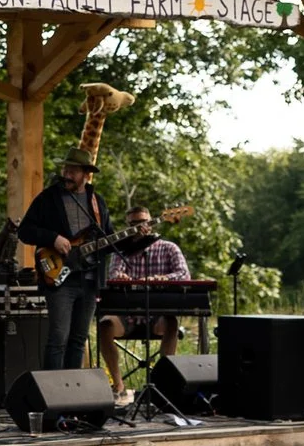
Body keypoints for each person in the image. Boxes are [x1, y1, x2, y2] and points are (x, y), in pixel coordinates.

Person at [16, 150, 112, 375]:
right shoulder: (49, 198)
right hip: (61, 280)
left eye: (73, 171)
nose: (66, 174)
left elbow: (109, 238)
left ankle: (71, 396)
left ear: (86, 174)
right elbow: (25, 231)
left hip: (89, 281)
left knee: (78, 339)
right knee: (58, 337)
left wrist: (138, 237)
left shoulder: (97, 202)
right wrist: (53, 238)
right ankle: (52, 396)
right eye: (65, 169)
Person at [98, 205, 194, 406]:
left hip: (157, 314)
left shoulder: (169, 248)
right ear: (127, 226)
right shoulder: (120, 250)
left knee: (171, 323)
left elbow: (184, 275)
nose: (138, 227)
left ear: (150, 224)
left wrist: (160, 278)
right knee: (105, 324)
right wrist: (121, 278)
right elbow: (114, 275)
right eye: (133, 224)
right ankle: (118, 386)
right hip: (128, 316)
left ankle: (163, 384)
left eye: (142, 223)